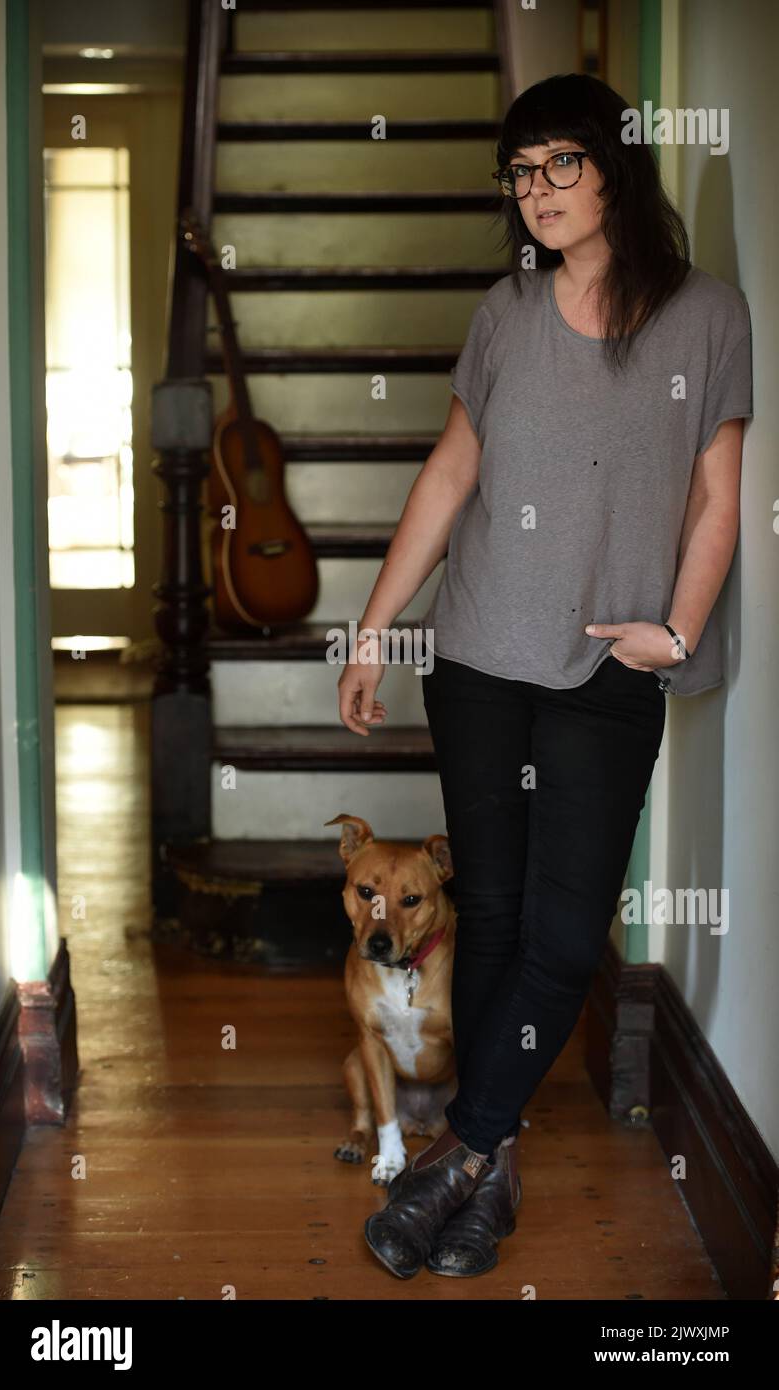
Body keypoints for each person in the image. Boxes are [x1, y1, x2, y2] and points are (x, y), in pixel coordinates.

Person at [337, 72, 753, 1281]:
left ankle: (455, 1156)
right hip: (476, 657)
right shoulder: (506, 312)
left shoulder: (709, 316)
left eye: (560, 163)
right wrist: (374, 629)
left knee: (568, 934)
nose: (537, 192)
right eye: (520, 173)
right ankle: (489, 1171)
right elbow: (449, 476)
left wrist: (672, 633)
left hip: (606, 666)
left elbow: (721, 497)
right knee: (503, 917)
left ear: (616, 168)